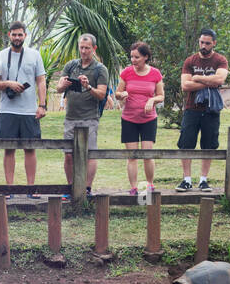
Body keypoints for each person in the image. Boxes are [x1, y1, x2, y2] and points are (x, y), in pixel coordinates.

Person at [0, 21, 47, 197]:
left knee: (30, 148)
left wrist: (42, 105)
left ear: (25, 36)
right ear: (9, 35)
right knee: (9, 148)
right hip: (8, 110)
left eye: (20, 34)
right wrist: (9, 84)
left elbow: (41, 80)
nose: (17, 38)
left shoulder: (34, 55)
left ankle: (31, 188)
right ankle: (10, 188)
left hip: (29, 110)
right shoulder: (0, 56)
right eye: (14, 34)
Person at [56, 33, 108, 198]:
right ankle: (71, 187)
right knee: (68, 154)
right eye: (81, 47)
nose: (84, 51)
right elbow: (58, 88)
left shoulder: (100, 69)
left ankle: (86, 188)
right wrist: (63, 85)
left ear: (94, 48)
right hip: (70, 117)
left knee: (89, 153)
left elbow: (101, 95)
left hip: (90, 117)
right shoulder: (71, 66)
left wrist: (88, 86)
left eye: (87, 48)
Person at [177, 28, 228, 191]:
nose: (203, 45)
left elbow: (220, 79)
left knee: (209, 145)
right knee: (186, 144)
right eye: (201, 42)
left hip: (211, 110)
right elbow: (185, 85)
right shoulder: (190, 61)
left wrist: (198, 77)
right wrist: (210, 82)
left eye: (207, 43)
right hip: (192, 109)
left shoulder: (220, 60)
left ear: (214, 43)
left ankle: (203, 180)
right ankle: (186, 180)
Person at [115, 41, 163, 196]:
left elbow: (161, 96)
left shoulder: (155, 73)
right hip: (129, 118)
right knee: (132, 155)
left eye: (136, 57)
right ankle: (134, 187)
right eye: (131, 57)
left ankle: (150, 185)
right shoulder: (127, 73)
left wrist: (152, 100)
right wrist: (121, 95)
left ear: (146, 57)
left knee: (147, 154)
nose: (133, 60)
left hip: (149, 119)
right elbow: (117, 93)